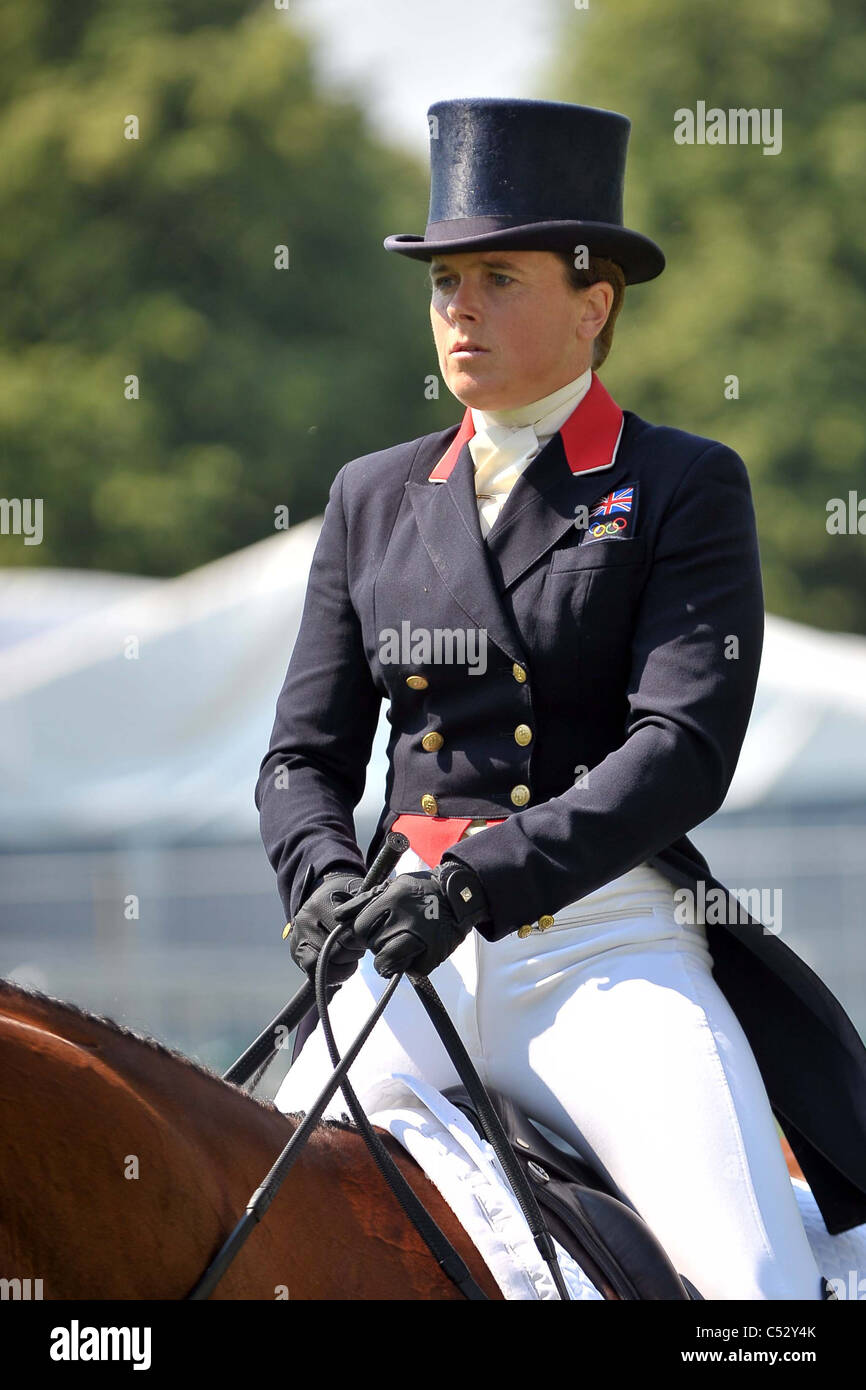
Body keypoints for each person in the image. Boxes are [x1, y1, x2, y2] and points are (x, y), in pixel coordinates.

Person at [255, 98, 866, 1299]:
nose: (459, 308)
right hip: (400, 964)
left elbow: (680, 747)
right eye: (442, 283)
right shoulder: (373, 495)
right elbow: (301, 758)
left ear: (593, 305)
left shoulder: (677, 483)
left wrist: (481, 879)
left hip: (596, 951)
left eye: (496, 276)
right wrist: (324, 882)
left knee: (756, 1293)